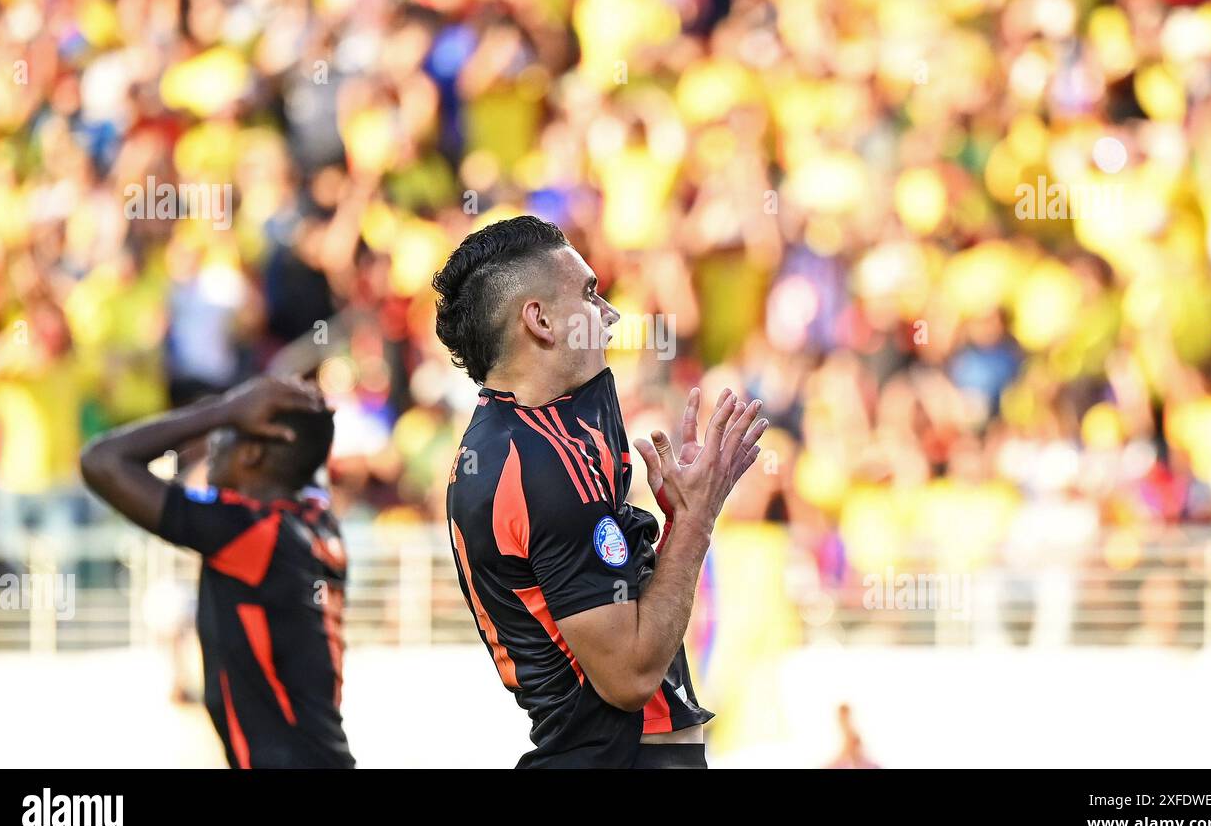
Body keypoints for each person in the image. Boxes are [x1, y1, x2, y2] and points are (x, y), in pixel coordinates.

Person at [433, 215, 767, 767]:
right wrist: (696, 520)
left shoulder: (529, 435)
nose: (610, 316)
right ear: (539, 320)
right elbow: (629, 676)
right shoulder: (536, 462)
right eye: (589, 294)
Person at [79, 375, 354, 768]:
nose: (210, 442)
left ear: (253, 453)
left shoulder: (253, 532)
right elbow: (304, 445)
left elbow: (101, 461)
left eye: (225, 432)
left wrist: (222, 409)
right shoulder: (317, 519)